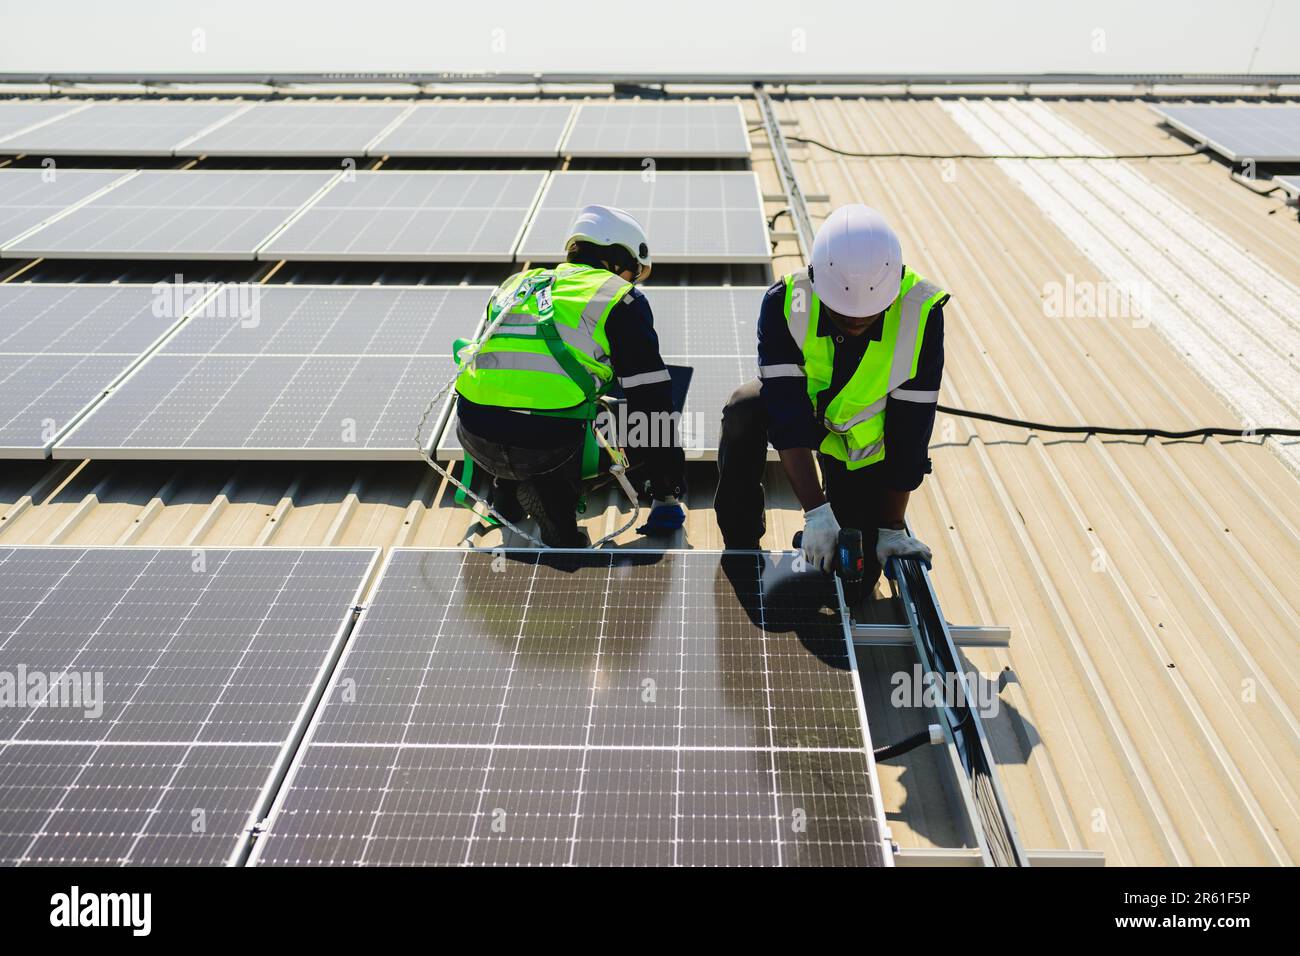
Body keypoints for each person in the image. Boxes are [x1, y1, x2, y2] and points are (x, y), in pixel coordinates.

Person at [714, 204, 945, 585]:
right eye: (842, 310)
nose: (855, 319)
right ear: (817, 279)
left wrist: (890, 526)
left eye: (869, 313)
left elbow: (911, 428)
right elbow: (785, 410)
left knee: (856, 574)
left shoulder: (922, 313)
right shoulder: (785, 303)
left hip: (862, 445)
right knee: (744, 407)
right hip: (806, 417)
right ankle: (740, 541)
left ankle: (861, 523)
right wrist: (816, 511)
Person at [455, 204, 685, 547]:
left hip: (474, 434)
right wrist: (667, 489)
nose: (633, 282)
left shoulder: (517, 283)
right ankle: (555, 507)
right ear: (619, 261)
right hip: (544, 446)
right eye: (633, 273)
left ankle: (504, 495)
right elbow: (650, 400)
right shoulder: (619, 297)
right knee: (650, 398)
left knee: (520, 400)